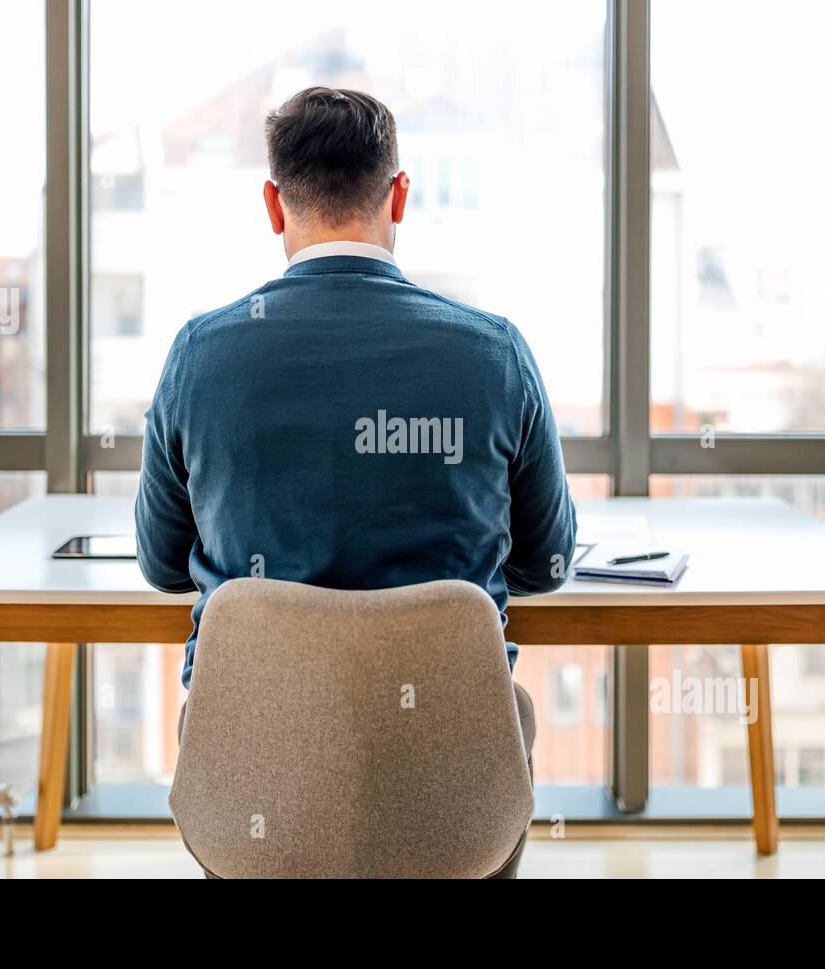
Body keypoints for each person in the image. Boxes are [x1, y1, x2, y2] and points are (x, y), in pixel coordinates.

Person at [136, 86, 576, 784]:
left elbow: (161, 566)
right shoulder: (495, 353)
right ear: (399, 197)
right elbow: (544, 563)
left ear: (274, 205)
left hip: (252, 786)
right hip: (454, 789)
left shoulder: (200, 354)